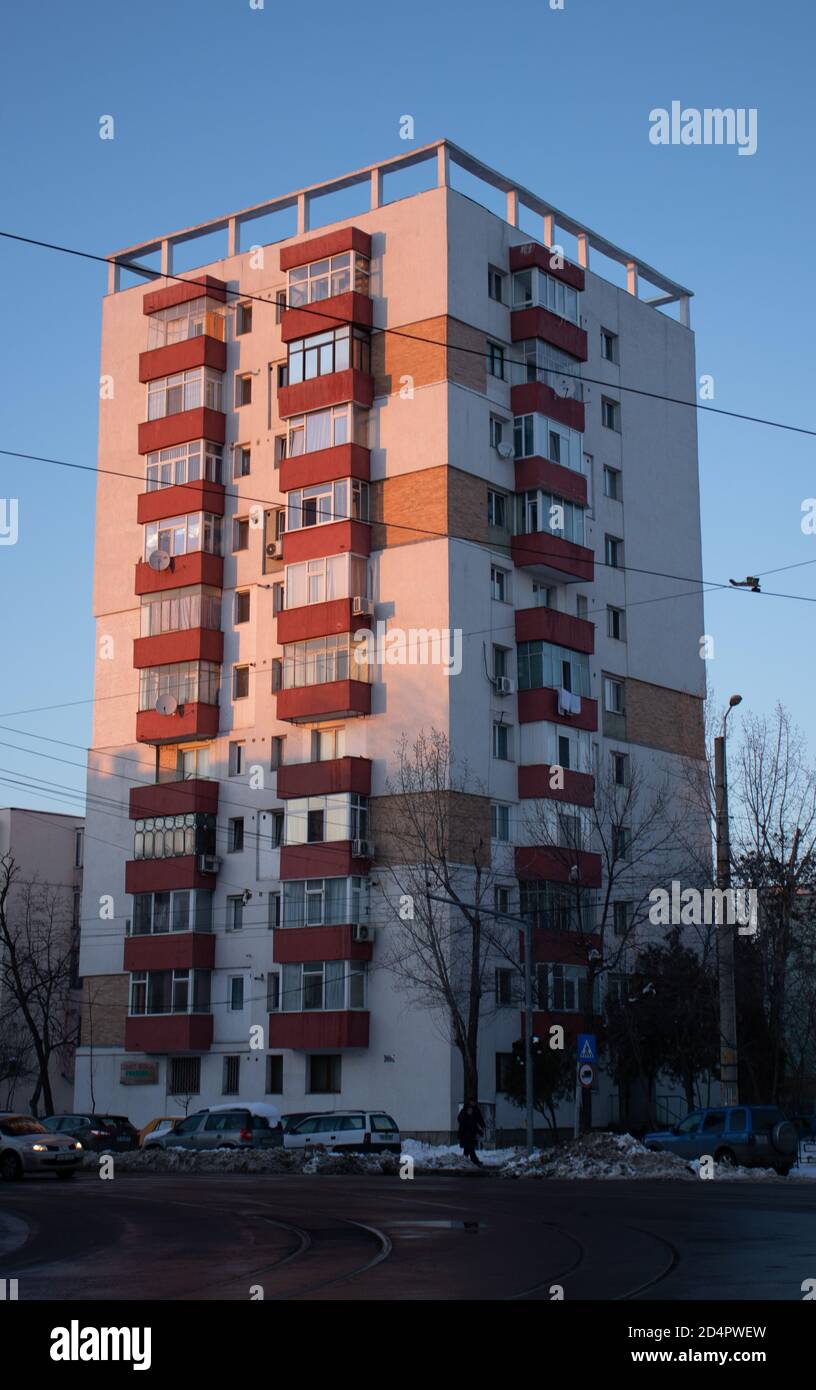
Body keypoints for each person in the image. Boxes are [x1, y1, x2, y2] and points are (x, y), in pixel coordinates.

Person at [457, 1099, 486, 1167]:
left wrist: (480, 1132)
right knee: (471, 1150)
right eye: (469, 1110)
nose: (471, 1111)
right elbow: (461, 1125)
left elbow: (475, 1126)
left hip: (470, 1136)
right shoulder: (464, 1117)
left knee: (467, 1150)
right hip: (466, 1136)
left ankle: (464, 1161)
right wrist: (460, 1135)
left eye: (471, 1110)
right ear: (467, 1110)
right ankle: (475, 1161)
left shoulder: (472, 1117)